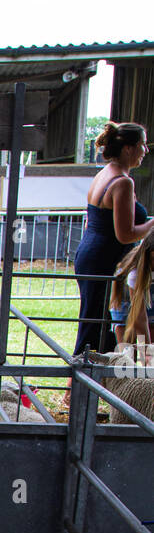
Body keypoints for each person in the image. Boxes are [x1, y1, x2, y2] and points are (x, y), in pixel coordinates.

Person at [73, 121, 154, 357]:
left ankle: (82, 384)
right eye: (142, 145)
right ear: (128, 148)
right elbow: (125, 234)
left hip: (90, 253)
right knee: (94, 326)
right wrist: (152, 224)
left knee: (95, 321)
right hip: (103, 260)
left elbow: (93, 221)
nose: (145, 151)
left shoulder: (103, 174)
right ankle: (73, 389)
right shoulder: (123, 182)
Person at [109, 227, 154, 347]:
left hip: (148, 296)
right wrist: (147, 351)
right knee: (127, 350)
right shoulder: (135, 273)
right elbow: (140, 318)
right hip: (125, 300)